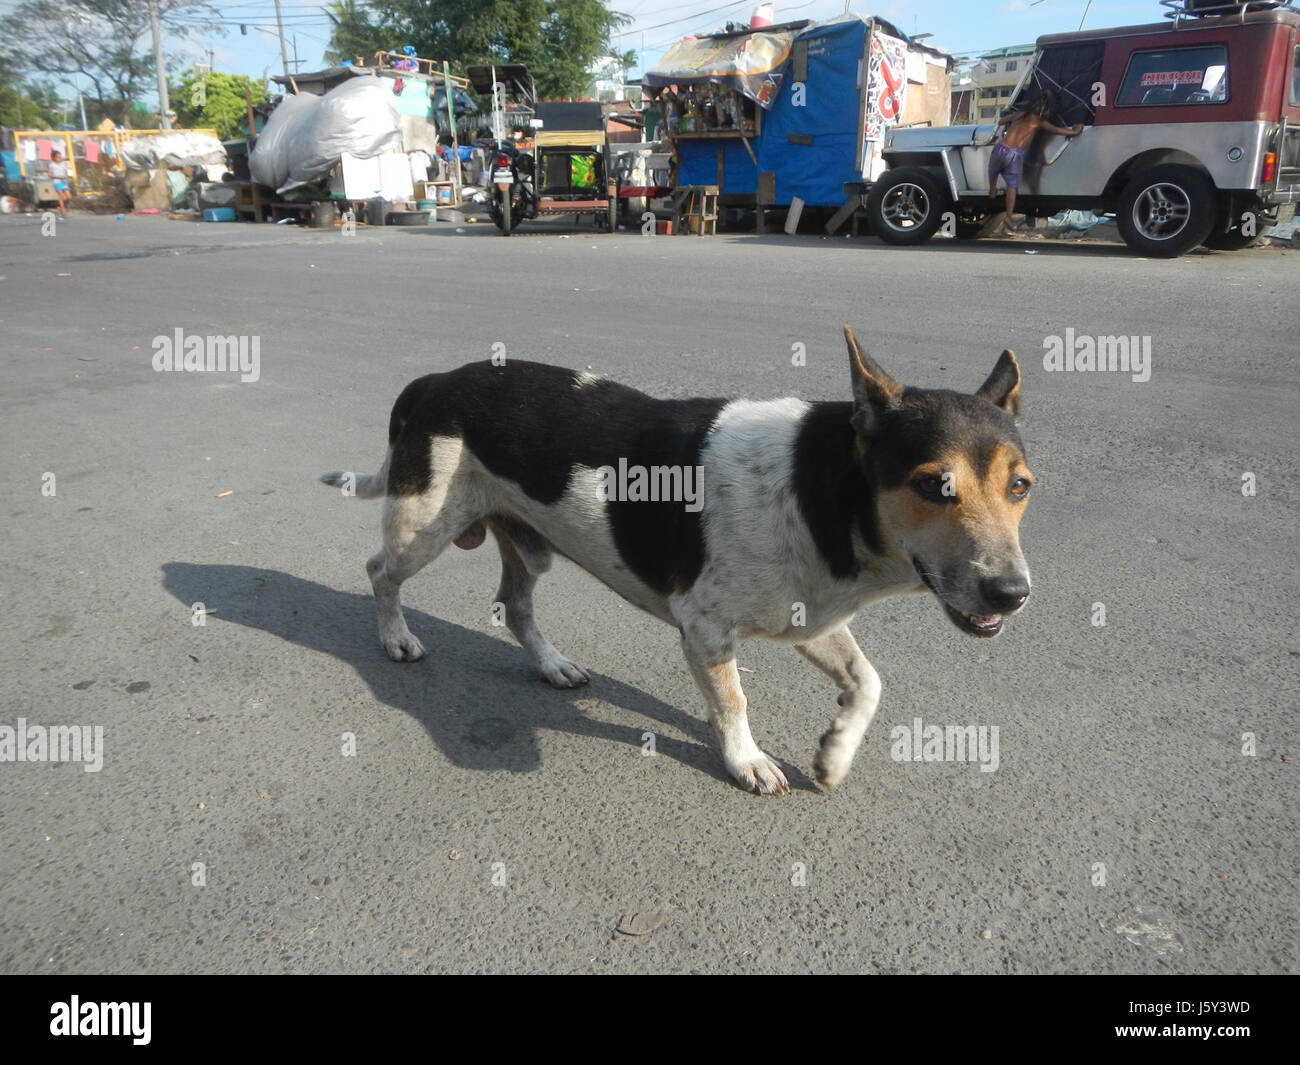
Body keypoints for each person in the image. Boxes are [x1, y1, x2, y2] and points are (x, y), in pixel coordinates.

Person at [988, 91, 1083, 232]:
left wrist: (1010, 124)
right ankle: (1008, 216)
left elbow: (1001, 121)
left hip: (1001, 148)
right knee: (1011, 186)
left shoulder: (1018, 114)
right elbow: (1057, 130)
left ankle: (992, 189)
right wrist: (1074, 132)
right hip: (1014, 154)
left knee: (993, 170)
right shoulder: (1038, 122)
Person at [48, 150, 72, 217]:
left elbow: (65, 172)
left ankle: (61, 208)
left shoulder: (62, 164)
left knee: (69, 197)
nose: (59, 158)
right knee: (61, 197)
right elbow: (49, 175)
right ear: (53, 157)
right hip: (57, 182)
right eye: (57, 157)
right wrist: (57, 177)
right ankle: (63, 212)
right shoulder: (51, 165)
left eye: (60, 157)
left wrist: (66, 176)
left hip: (63, 182)